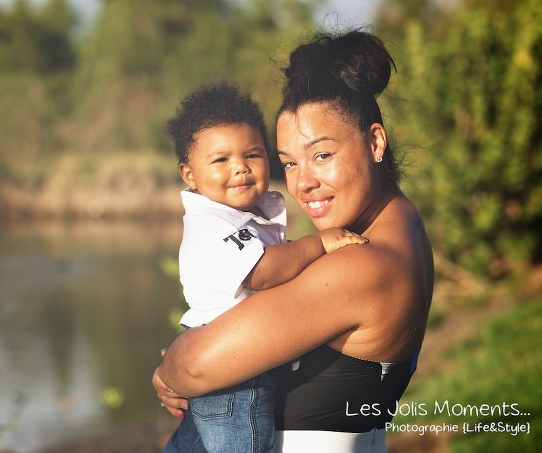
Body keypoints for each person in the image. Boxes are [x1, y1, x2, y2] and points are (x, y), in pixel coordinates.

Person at [153, 30, 434, 453]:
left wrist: (169, 370)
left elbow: (195, 365)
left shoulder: (365, 265)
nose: (303, 183)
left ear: (375, 141)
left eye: (322, 155)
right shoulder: (402, 223)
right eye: (288, 163)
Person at [162, 82, 368, 453]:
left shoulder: (240, 217)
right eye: (221, 160)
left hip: (232, 362)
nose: (240, 167)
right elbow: (265, 271)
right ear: (189, 175)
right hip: (234, 380)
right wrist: (318, 243)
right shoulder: (213, 224)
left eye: (252, 155)